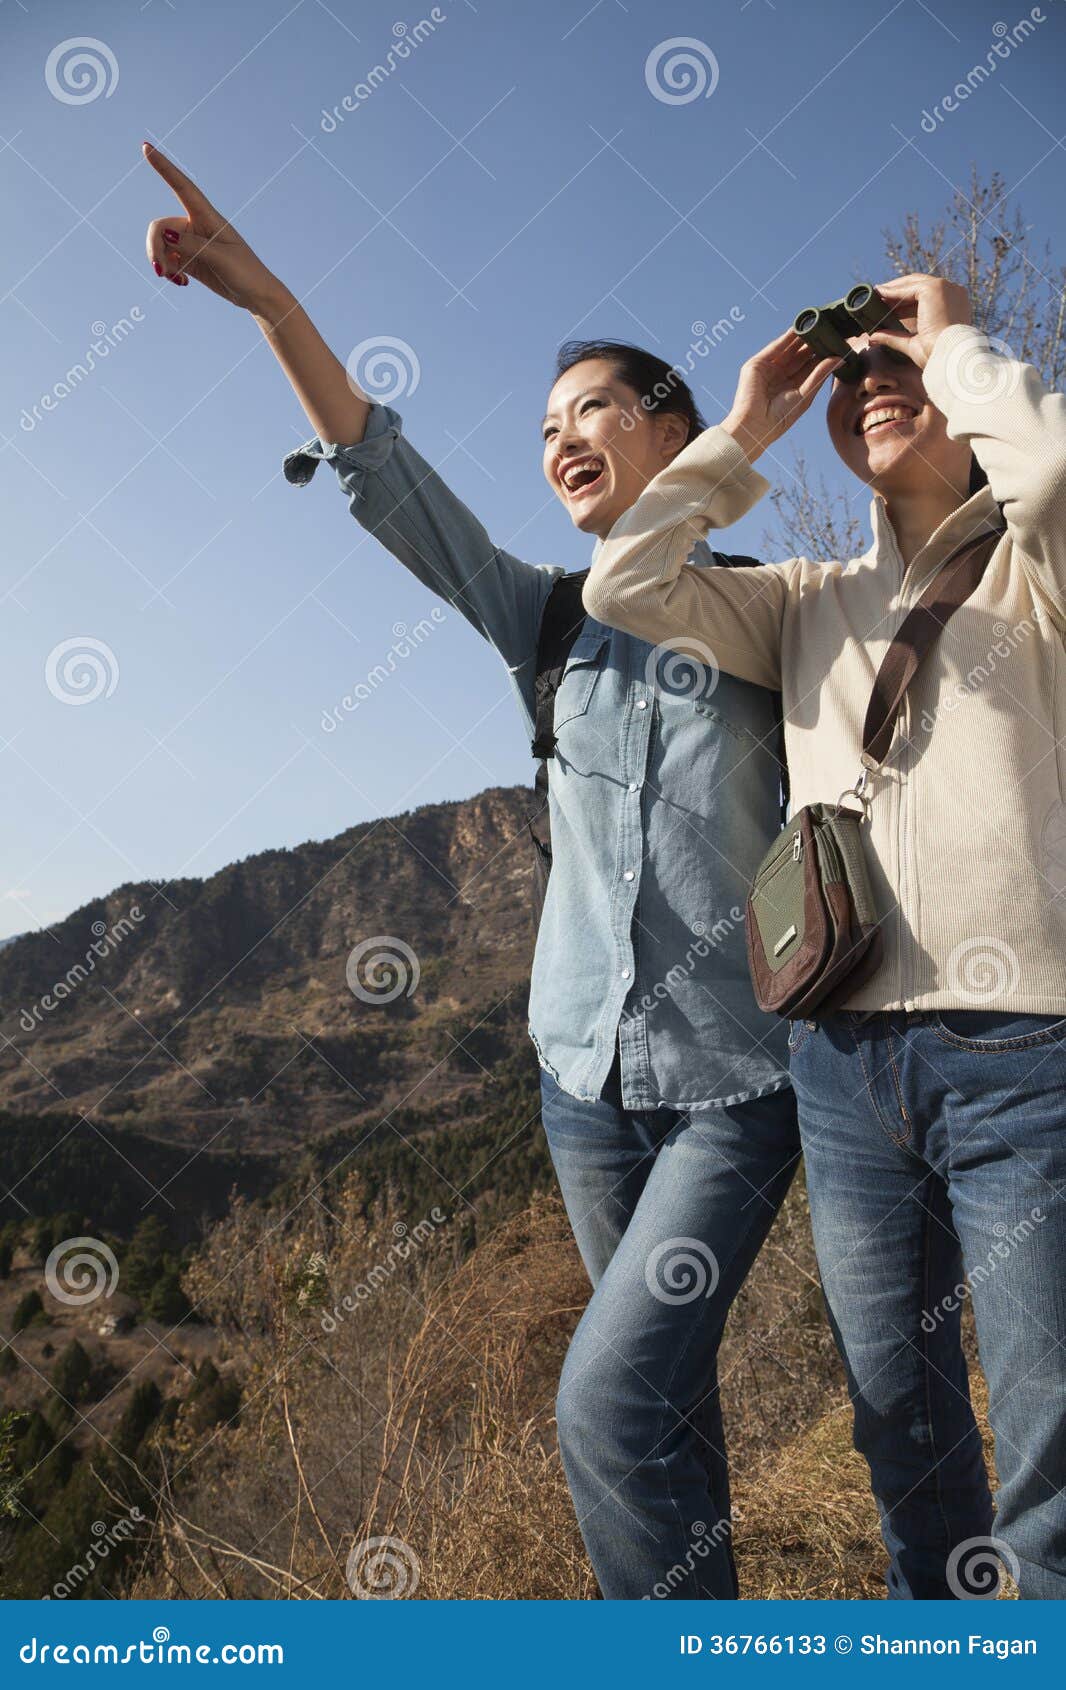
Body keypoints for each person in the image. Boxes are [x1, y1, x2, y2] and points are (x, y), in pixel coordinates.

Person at [139, 141, 805, 1600]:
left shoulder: (779, 619)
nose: (562, 437)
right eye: (547, 424)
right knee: (665, 1411)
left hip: (735, 1090)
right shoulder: (545, 618)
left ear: (678, 430)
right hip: (580, 1087)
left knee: (608, 1403)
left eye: (594, 411)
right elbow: (388, 474)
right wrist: (267, 303)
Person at [582, 271, 1066, 1599]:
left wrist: (952, 339)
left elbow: (1051, 472)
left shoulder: (1035, 563)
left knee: (1046, 1456)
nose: (872, 389)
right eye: (852, 384)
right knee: (900, 1431)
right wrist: (742, 428)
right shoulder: (801, 599)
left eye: (894, 373)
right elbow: (626, 583)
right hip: (844, 1073)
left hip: (1028, 1054)